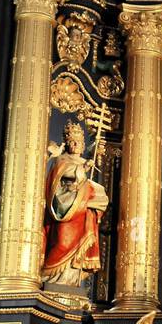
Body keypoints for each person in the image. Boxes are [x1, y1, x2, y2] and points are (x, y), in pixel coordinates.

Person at [41, 120, 108, 286]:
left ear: (83, 145)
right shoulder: (62, 159)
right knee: (62, 243)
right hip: (65, 207)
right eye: (72, 141)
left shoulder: (83, 162)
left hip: (81, 212)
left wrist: (86, 185)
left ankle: (70, 280)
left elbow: (93, 191)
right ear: (68, 143)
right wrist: (81, 170)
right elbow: (60, 175)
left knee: (98, 190)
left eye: (79, 142)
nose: (76, 144)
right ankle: (53, 278)